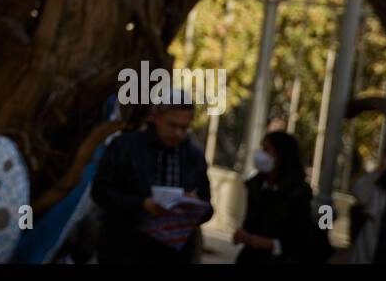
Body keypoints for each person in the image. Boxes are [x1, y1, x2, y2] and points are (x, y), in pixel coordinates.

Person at [91, 102, 213, 263]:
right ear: (156, 117)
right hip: (125, 248)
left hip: (173, 252)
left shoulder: (194, 157)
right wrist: (142, 204)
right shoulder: (125, 147)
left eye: (184, 128)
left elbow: (207, 207)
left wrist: (191, 206)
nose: (178, 133)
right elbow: (100, 192)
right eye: (172, 125)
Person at [234, 131, 313, 263]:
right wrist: (244, 235)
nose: (261, 155)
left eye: (267, 150)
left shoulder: (299, 192)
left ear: (281, 156)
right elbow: (251, 222)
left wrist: (271, 244)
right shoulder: (255, 185)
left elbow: (301, 238)